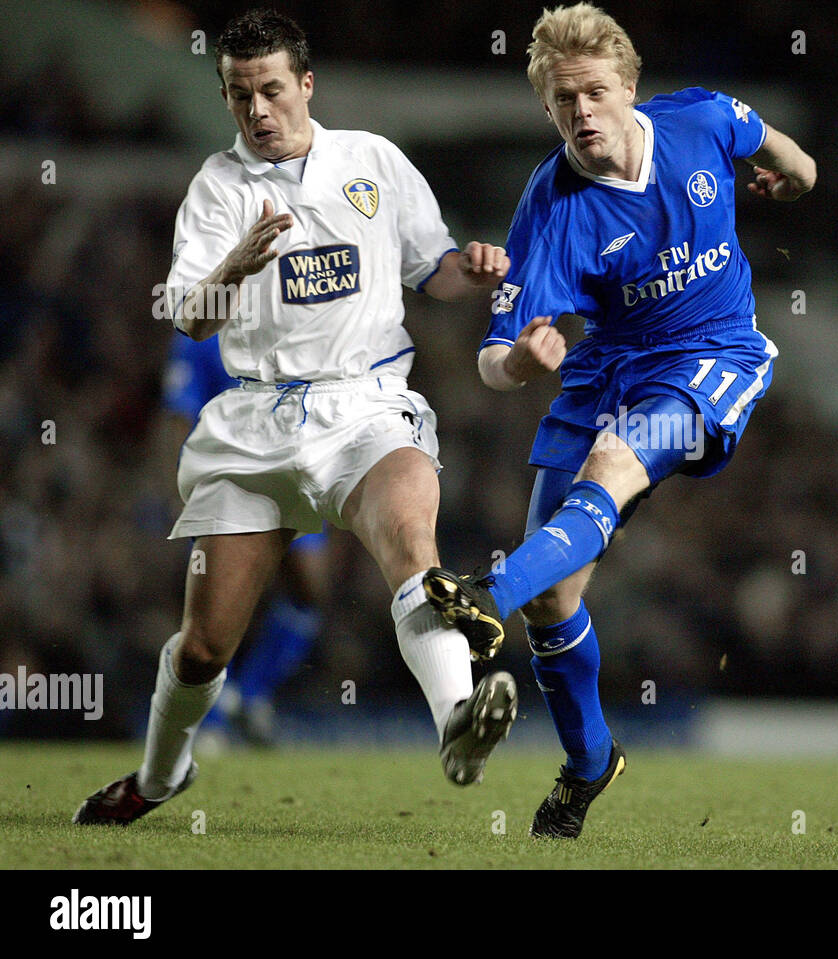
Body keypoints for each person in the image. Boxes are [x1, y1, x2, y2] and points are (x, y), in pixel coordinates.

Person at [75, 8, 515, 825]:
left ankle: (458, 721)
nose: (257, 110)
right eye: (239, 95)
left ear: (306, 84)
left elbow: (437, 271)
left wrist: (477, 267)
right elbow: (191, 319)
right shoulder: (216, 188)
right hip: (255, 426)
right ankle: (162, 774)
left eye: (271, 89)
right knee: (206, 646)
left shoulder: (373, 160)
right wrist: (236, 262)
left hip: (368, 406)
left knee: (411, 543)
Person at [422, 2, 816, 838]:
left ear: (629, 87)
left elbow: (792, 156)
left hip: (716, 357)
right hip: (605, 367)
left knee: (612, 469)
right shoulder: (553, 205)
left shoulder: (703, 120)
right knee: (554, 604)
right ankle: (589, 764)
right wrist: (525, 361)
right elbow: (494, 359)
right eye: (562, 100)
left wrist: (794, 174)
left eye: (595, 92)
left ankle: (486, 592)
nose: (581, 113)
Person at [161, 333, 327, 747]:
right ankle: (209, 719)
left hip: (290, 469)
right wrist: (175, 487)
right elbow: (179, 413)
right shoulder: (202, 332)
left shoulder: (294, 313)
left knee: (309, 588)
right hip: (224, 476)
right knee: (219, 607)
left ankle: (248, 695)